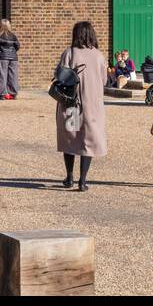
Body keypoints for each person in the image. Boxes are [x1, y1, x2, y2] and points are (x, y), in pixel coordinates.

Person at [53, 20, 107, 191]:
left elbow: (59, 75)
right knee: (88, 140)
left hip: (72, 104)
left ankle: (69, 177)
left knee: (71, 137)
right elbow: (104, 80)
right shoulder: (98, 55)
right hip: (92, 104)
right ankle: (83, 181)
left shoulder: (69, 53)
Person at [0, 19, 20, 100]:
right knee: (13, 76)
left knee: (2, 75)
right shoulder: (13, 36)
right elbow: (18, 47)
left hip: (2, 57)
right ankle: (13, 94)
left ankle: (1, 94)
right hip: (13, 58)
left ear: (0, 26)